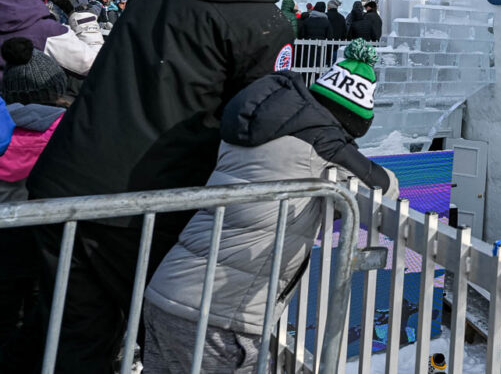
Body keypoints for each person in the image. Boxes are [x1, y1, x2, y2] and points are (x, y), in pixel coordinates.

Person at [27, 0, 314, 374]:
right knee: (168, 344)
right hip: (145, 202)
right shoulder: (265, 22)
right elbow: (254, 122)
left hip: (66, 182)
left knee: (65, 340)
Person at [142, 39, 396, 373]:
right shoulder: (321, 145)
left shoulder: (264, 128)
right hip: (219, 318)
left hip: (171, 294)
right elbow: (383, 187)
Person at [0, 39, 70, 373]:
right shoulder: (69, 131)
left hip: (5, 236)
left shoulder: (2, 132)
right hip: (49, 237)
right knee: (44, 313)